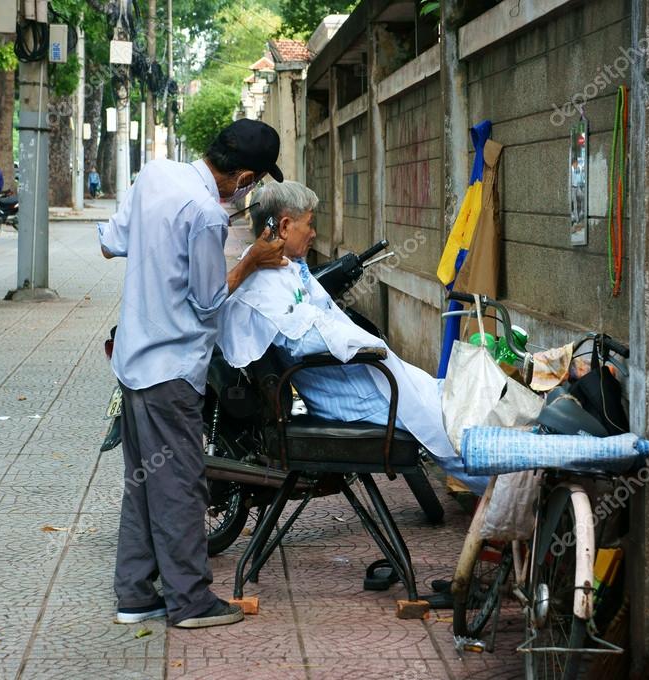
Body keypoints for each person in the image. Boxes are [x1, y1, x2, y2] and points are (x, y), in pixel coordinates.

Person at [97, 119, 287, 630]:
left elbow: (108, 243)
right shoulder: (206, 213)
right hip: (172, 369)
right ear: (244, 177)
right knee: (180, 484)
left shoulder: (155, 174)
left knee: (143, 484)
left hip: (134, 359)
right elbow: (207, 301)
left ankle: (135, 594)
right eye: (252, 182)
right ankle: (189, 601)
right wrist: (250, 262)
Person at [216, 181, 486, 494]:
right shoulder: (265, 281)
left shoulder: (285, 267)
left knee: (451, 401)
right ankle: (515, 498)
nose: (314, 233)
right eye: (310, 224)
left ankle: (513, 489)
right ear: (286, 226)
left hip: (358, 381)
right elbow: (304, 338)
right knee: (448, 429)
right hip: (348, 395)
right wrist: (365, 344)